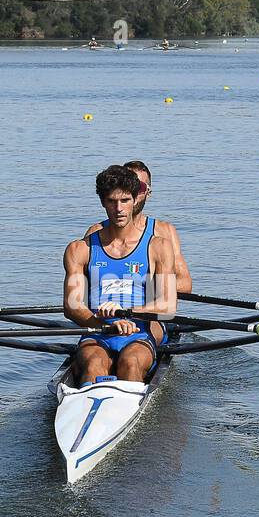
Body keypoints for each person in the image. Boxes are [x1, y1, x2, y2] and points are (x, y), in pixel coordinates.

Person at [63, 165, 177, 385]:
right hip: (97, 331)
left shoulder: (158, 247)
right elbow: (72, 305)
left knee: (131, 361)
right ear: (103, 202)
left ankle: (127, 410)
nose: (119, 209)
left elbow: (167, 306)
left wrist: (128, 314)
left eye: (125, 200)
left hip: (139, 334)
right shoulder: (80, 249)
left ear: (135, 200)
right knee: (94, 363)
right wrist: (100, 322)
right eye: (112, 201)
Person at [82, 160, 191, 294]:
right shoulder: (96, 232)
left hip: (147, 311)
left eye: (139, 187)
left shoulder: (164, 231)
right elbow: (83, 287)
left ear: (148, 192)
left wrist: (139, 288)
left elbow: (185, 284)